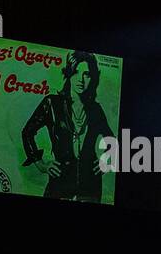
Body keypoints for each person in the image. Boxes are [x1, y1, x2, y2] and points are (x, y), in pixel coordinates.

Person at [21, 51, 115, 203]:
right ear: (69, 73)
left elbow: (112, 140)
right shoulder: (52, 103)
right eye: (76, 72)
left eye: (87, 74)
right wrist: (41, 165)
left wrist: (106, 161)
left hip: (90, 188)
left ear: (93, 78)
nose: (81, 79)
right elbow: (27, 132)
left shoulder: (95, 109)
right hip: (60, 185)